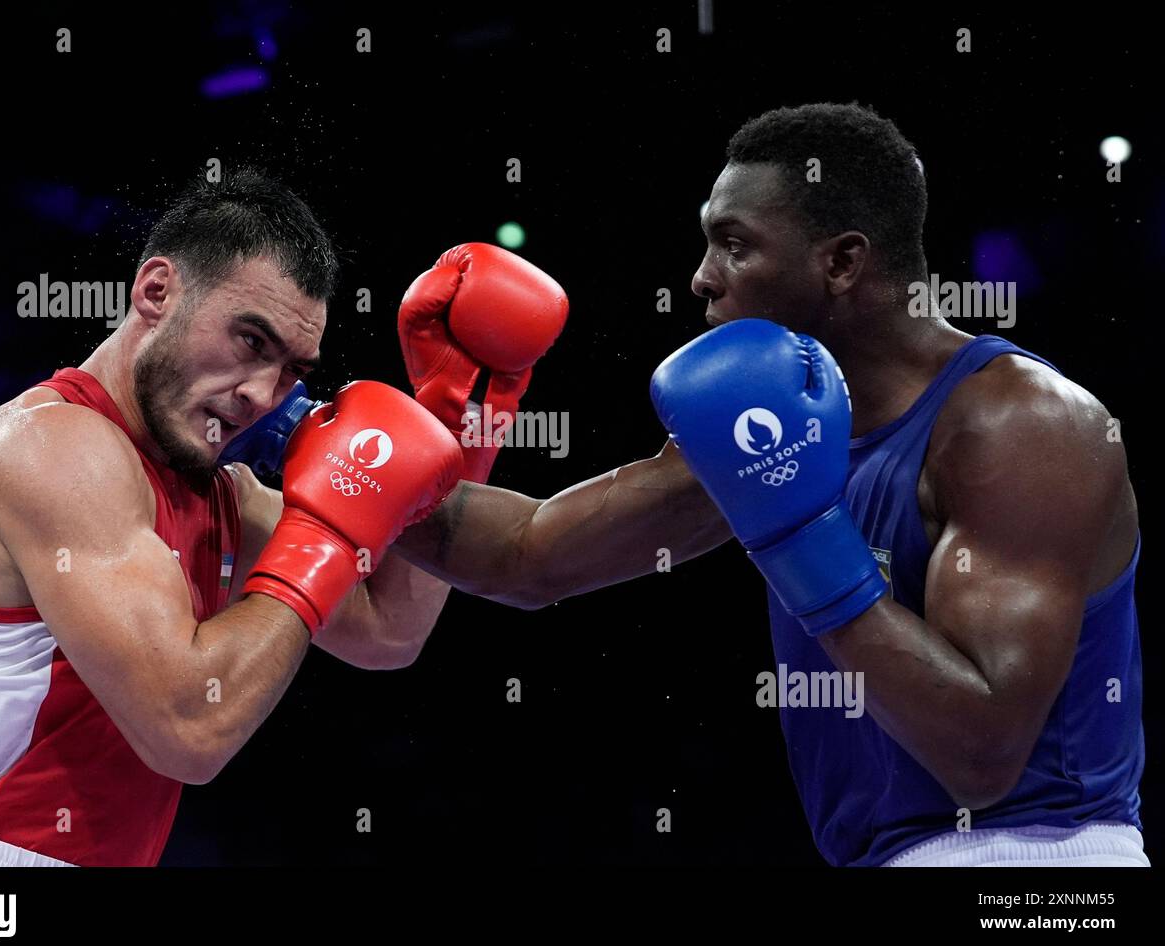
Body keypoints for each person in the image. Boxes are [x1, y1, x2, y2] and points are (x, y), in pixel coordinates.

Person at [389, 103, 1147, 867]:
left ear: (842, 263)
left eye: (734, 245)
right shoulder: (764, 428)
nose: (700, 278)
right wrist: (314, 433)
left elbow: (983, 754)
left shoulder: (1022, 425)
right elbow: (525, 557)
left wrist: (800, 536)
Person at [0, 168, 512, 866]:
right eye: (251, 341)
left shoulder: (221, 494)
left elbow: (388, 626)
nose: (260, 393)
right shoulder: (51, 446)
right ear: (156, 290)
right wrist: (325, 526)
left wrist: (459, 415)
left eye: (289, 371)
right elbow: (190, 728)